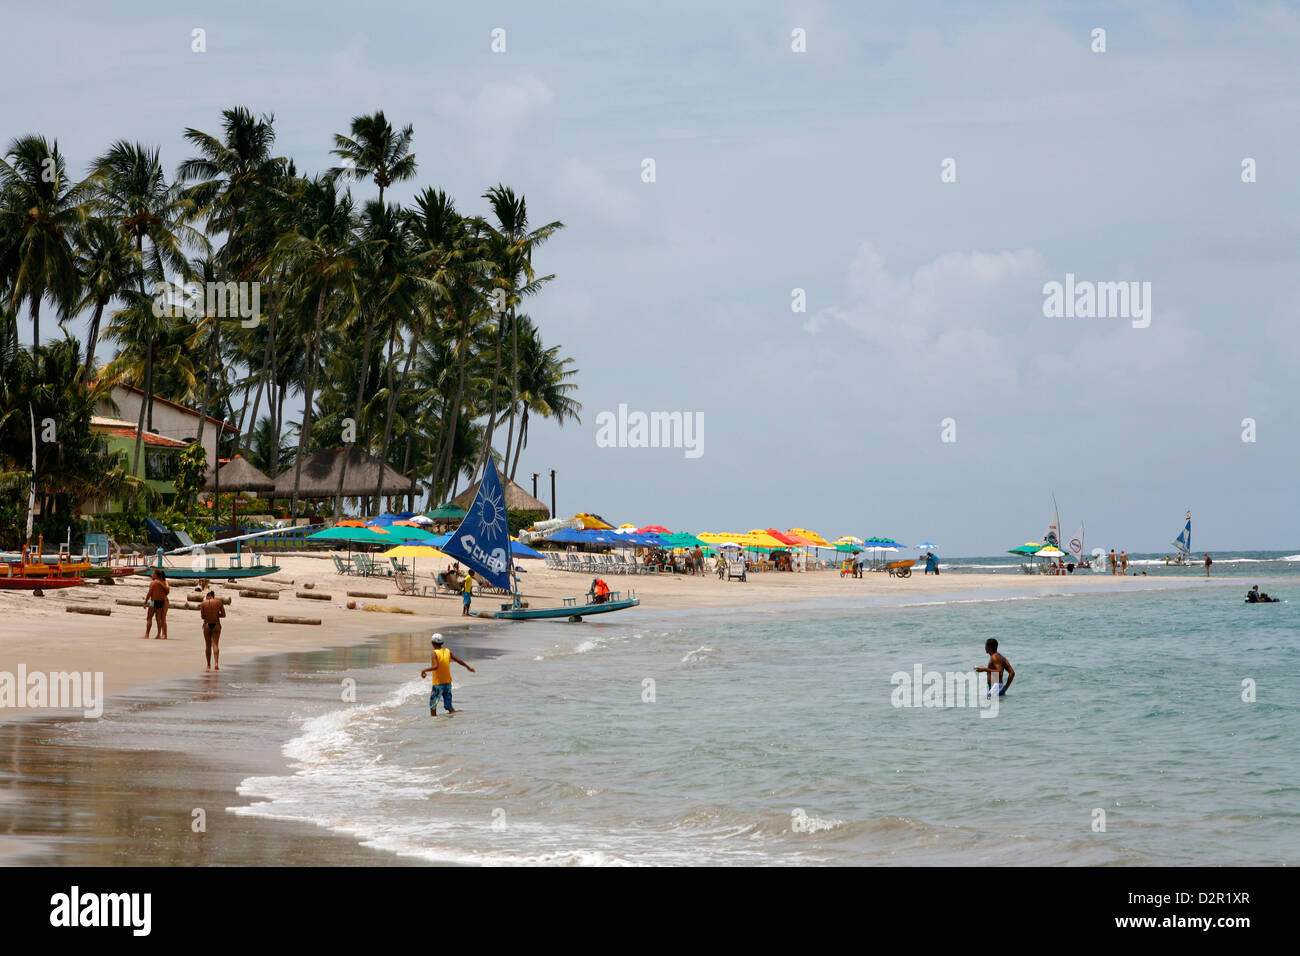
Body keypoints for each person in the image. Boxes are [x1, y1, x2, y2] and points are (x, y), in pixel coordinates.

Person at [419, 633, 475, 716]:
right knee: (448, 706)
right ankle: (454, 719)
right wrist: (468, 667)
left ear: (432, 643)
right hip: (448, 683)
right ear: (442, 643)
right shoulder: (447, 651)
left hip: (438, 683)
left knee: (433, 706)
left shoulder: (434, 653)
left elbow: (435, 667)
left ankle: (434, 724)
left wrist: (424, 670)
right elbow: (458, 660)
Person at [141, 570, 171, 640]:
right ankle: (158, 634)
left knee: (149, 618)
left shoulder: (154, 583)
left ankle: (147, 634)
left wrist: (145, 602)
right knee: (158, 618)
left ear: (157, 575)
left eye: (153, 574)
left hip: (153, 601)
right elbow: (167, 592)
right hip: (161, 601)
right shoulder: (163, 583)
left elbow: (149, 593)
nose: (152, 575)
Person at [199, 590, 226, 669]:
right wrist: (217, 615)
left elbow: (202, 617)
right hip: (216, 624)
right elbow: (224, 615)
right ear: (213, 596)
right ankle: (216, 664)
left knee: (208, 646)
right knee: (215, 644)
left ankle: (208, 665)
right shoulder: (219, 602)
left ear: (208, 596)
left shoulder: (203, 603)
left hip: (207, 624)